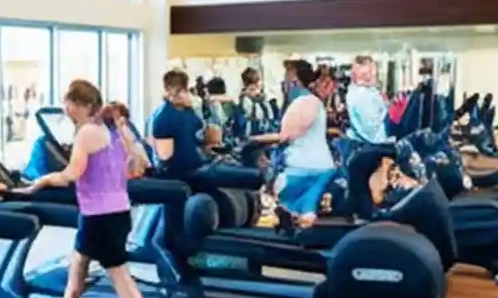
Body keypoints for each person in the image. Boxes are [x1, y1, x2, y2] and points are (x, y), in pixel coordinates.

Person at [19, 80, 166, 298]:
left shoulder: (86, 132)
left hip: (101, 216)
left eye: (69, 104)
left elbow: (71, 174)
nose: (66, 110)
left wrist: (40, 182)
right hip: (116, 212)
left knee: (121, 277)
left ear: (82, 105)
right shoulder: (113, 131)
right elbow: (139, 165)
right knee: (79, 258)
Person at [250, 60, 336, 228]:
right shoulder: (313, 102)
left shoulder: (304, 102)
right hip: (320, 166)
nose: (284, 83)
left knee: (288, 211)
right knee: (306, 212)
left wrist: (255, 140)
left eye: (286, 77)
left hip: (301, 168)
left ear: (294, 79)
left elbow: (286, 136)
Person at [150, 70, 261, 192]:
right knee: (254, 176)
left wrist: (211, 139)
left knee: (253, 174)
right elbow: (165, 159)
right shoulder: (163, 119)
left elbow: (205, 141)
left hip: (201, 166)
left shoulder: (189, 114)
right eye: (187, 91)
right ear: (175, 92)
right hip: (185, 174)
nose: (191, 95)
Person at [347, 55, 390, 144]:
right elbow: (371, 131)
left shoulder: (369, 91)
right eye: (366, 74)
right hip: (372, 146)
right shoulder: (362, 94)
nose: (372, 75)